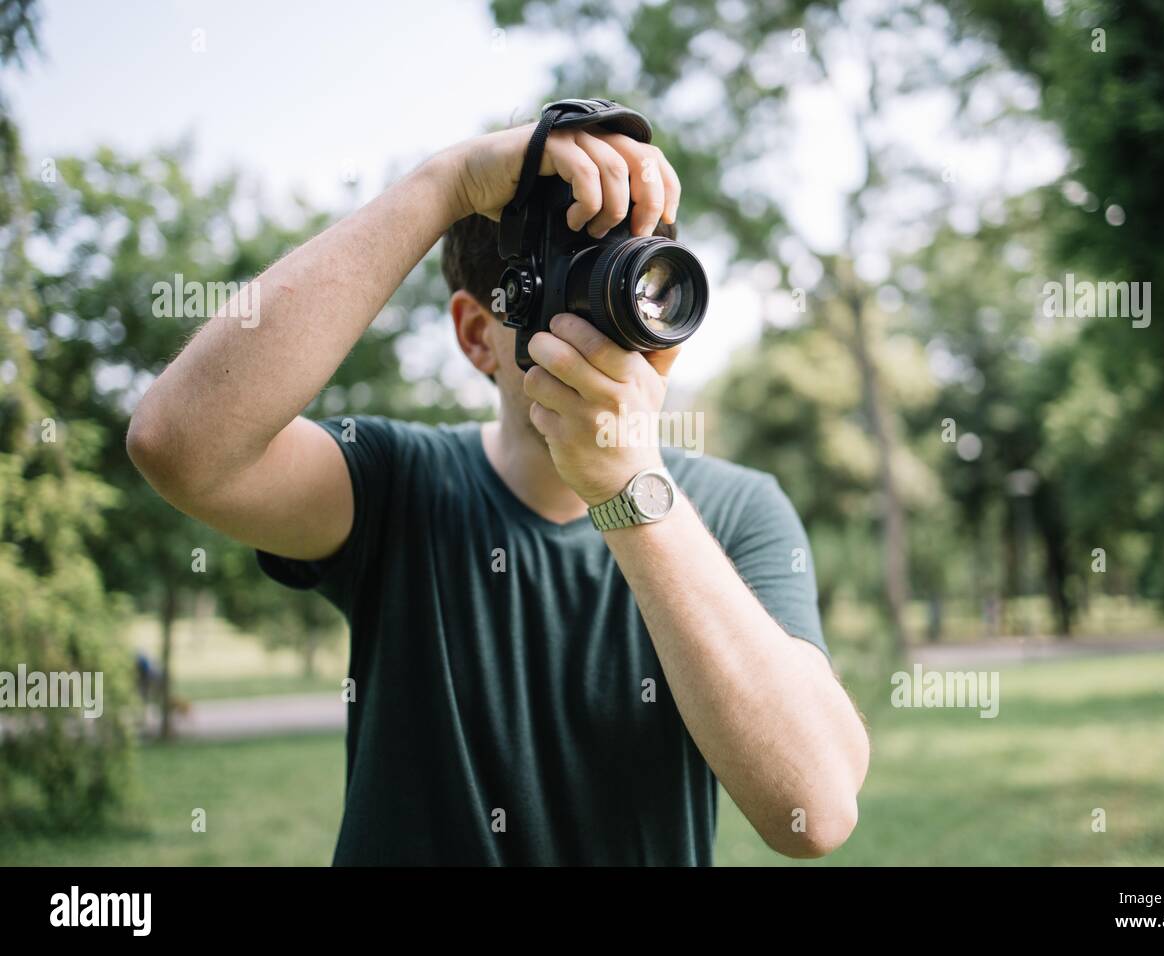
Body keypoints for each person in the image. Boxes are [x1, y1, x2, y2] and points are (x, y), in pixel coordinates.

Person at [126, 113, 871, 865]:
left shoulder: (736, 512)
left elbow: (815, 811)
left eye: (641, 274)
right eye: (580, 284)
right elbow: (181, 447)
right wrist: (444, 184)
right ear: (479, 335)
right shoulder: (396, 483)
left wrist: (628, 483)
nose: (623, 325)